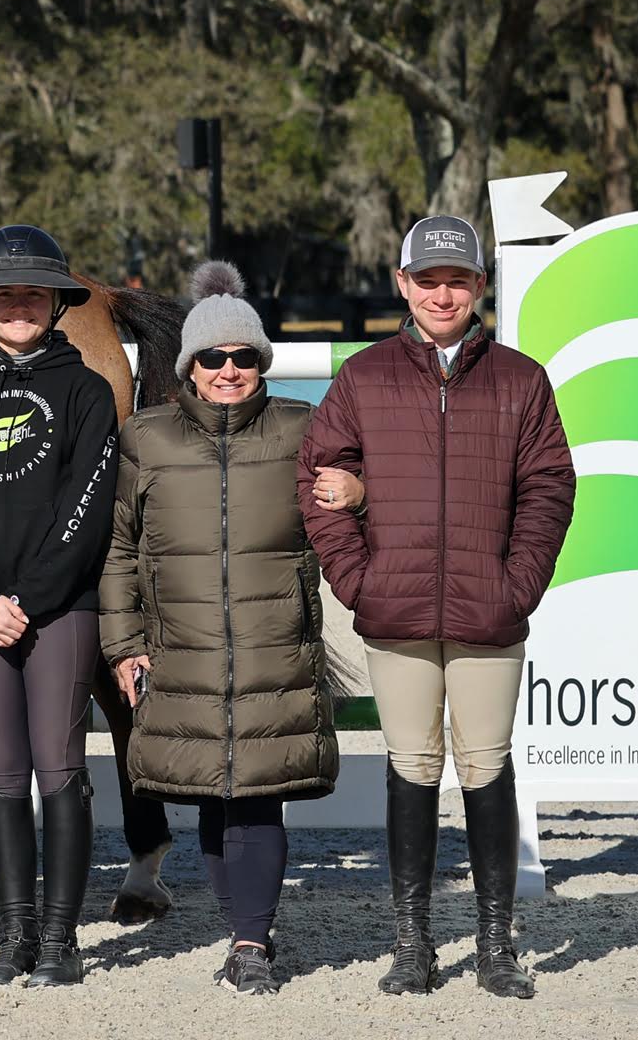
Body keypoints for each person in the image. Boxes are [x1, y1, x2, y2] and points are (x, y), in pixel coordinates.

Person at [300, 216, 576, 1001]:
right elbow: (320, 479)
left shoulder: (521, 380)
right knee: (413, 768)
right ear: (402, 285)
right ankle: (412, 942)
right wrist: (361, 578)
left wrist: (516, 582)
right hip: (397, 612)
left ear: (480, 287)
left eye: (458, 279)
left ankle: (496, 945)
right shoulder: (364, 378)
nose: (443, 293)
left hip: (490, 614)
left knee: (486, 766)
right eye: (429, 280)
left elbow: (550, 488)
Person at [100, 262, 348, 997]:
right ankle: (240, 926)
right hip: (183, 647)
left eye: (244, 357)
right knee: (211, 792)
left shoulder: (304, 431)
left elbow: (349, 511)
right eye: (214, 358)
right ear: (190, 367)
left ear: (261, 362)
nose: (230, 370)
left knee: (260, 796)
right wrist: (122, 643)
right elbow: (117, 547)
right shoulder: (146, 439)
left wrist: (355, 495)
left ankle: (251, 941)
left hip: (273, 645)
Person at [0, 225, 121, 987]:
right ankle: (16, 935)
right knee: (3, 772)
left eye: (31, 294)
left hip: (60, 609)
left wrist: (27, 599)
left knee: (59, 766)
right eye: (3, 295)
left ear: (54, 304)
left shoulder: (87, 393)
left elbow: (87, 510)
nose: (16, 307)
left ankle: (63, 940)